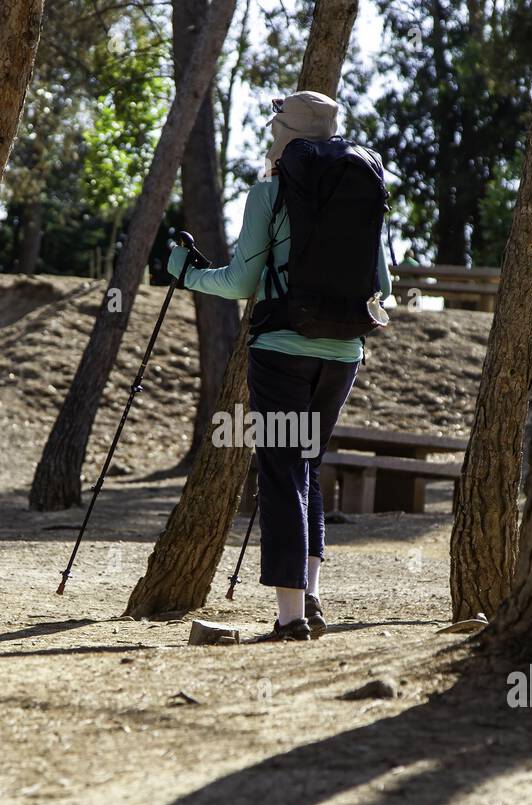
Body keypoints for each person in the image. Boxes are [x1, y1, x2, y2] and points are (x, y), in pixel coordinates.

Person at [167, 91, 393, 642]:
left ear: (287, 132)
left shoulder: (269, 191)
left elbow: (243, 283)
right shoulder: (364, 184)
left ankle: (289, 620)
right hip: (344, 354)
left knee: (280, 469)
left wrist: (187, 273)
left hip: (281, 352)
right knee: (307, 465)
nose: (269, 129)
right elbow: (383, 287)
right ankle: (310, 598)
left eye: (275, 122)